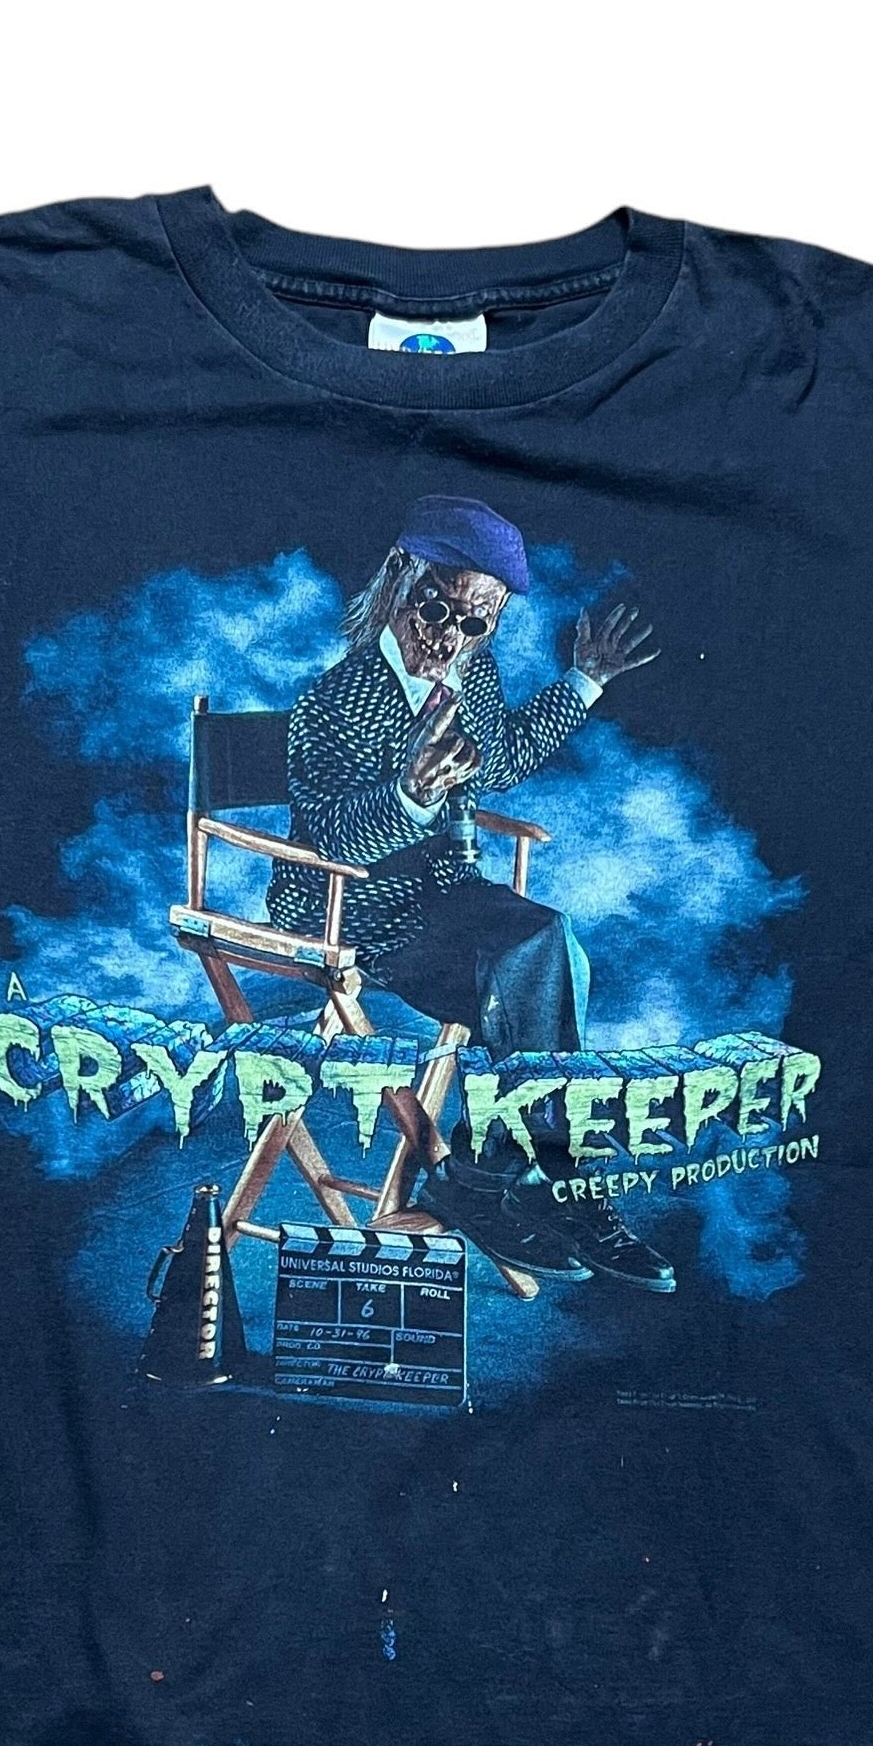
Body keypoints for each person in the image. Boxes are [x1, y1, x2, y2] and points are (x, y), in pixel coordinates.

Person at [267, 494, 672, 1288]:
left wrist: (584, 681)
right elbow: (331, 842)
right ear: (398, 577)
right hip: (352, 910)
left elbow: (504, 759)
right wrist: (410, 796)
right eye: (435, 609)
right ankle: (520, 1179)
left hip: (446, 897)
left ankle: (505, 1176)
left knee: (551, 945)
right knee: (532, 961)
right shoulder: (333, 702)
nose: (448, 638)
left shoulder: (472, 673)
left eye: (474, 623)